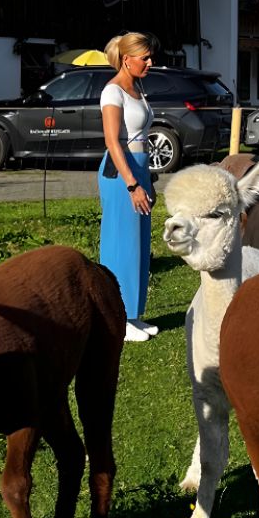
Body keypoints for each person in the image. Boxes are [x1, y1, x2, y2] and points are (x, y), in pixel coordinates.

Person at [98, 32, 160, 343]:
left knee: (139, 245)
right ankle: (116, 317)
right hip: (122, 172)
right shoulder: (113, 92)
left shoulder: (137, 88)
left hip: (140, 168)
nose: (150, 62)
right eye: (144, 58)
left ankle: (133, 314)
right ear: (127, 59)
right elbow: (113, 141)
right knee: (120, 243)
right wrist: (132, 184)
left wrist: (147, 178)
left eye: (149, 57)